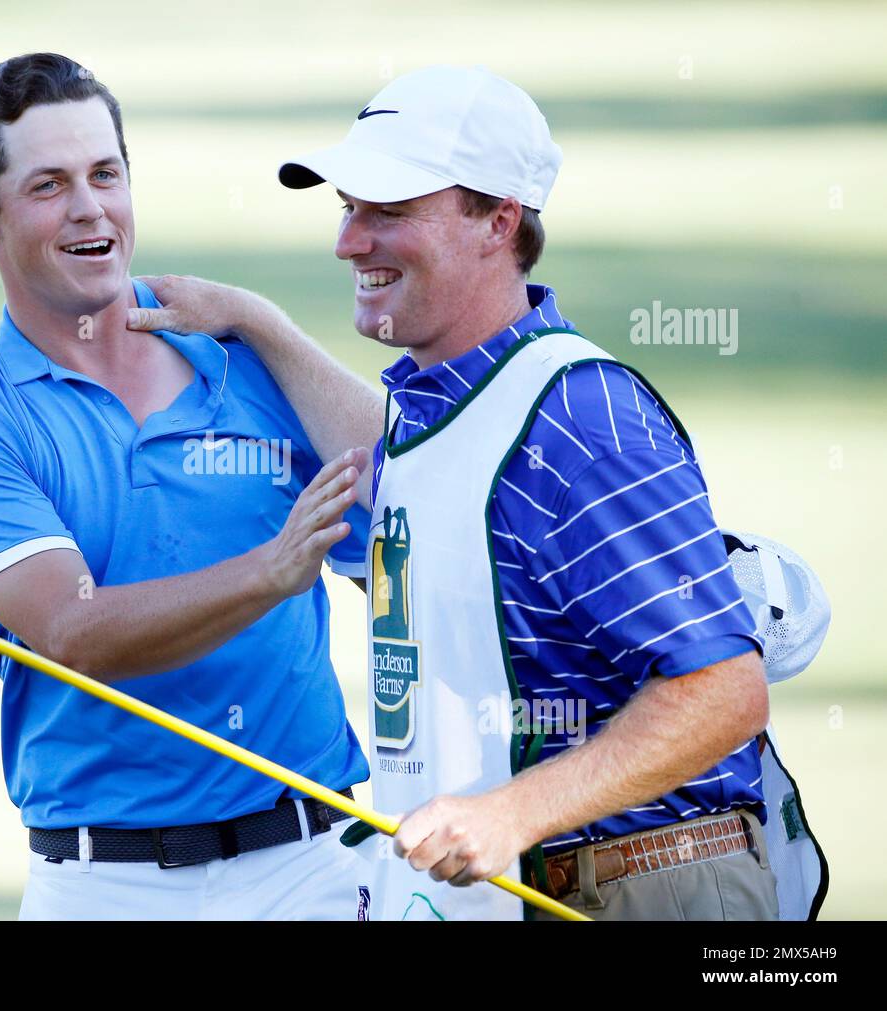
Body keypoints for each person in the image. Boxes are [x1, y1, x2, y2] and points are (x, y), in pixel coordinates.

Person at [127, 64, 827, 920]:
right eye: (348, 208)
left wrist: (510, 815)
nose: (349, 241)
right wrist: (256, 320)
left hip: (638, 883)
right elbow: (411, 481)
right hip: (503, 888)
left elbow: (722, 689)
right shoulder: (439, 408)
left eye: (389, 210)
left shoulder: (583, 419)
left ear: (500, 220)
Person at [0, 52, 379, 920]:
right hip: (105, 885)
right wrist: (268, 572)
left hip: (315, 863)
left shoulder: (236, 348)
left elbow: (405, 490)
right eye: (48, 185)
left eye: (106, 174)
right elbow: (73, 633)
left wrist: (261, 320)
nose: (91, 208)